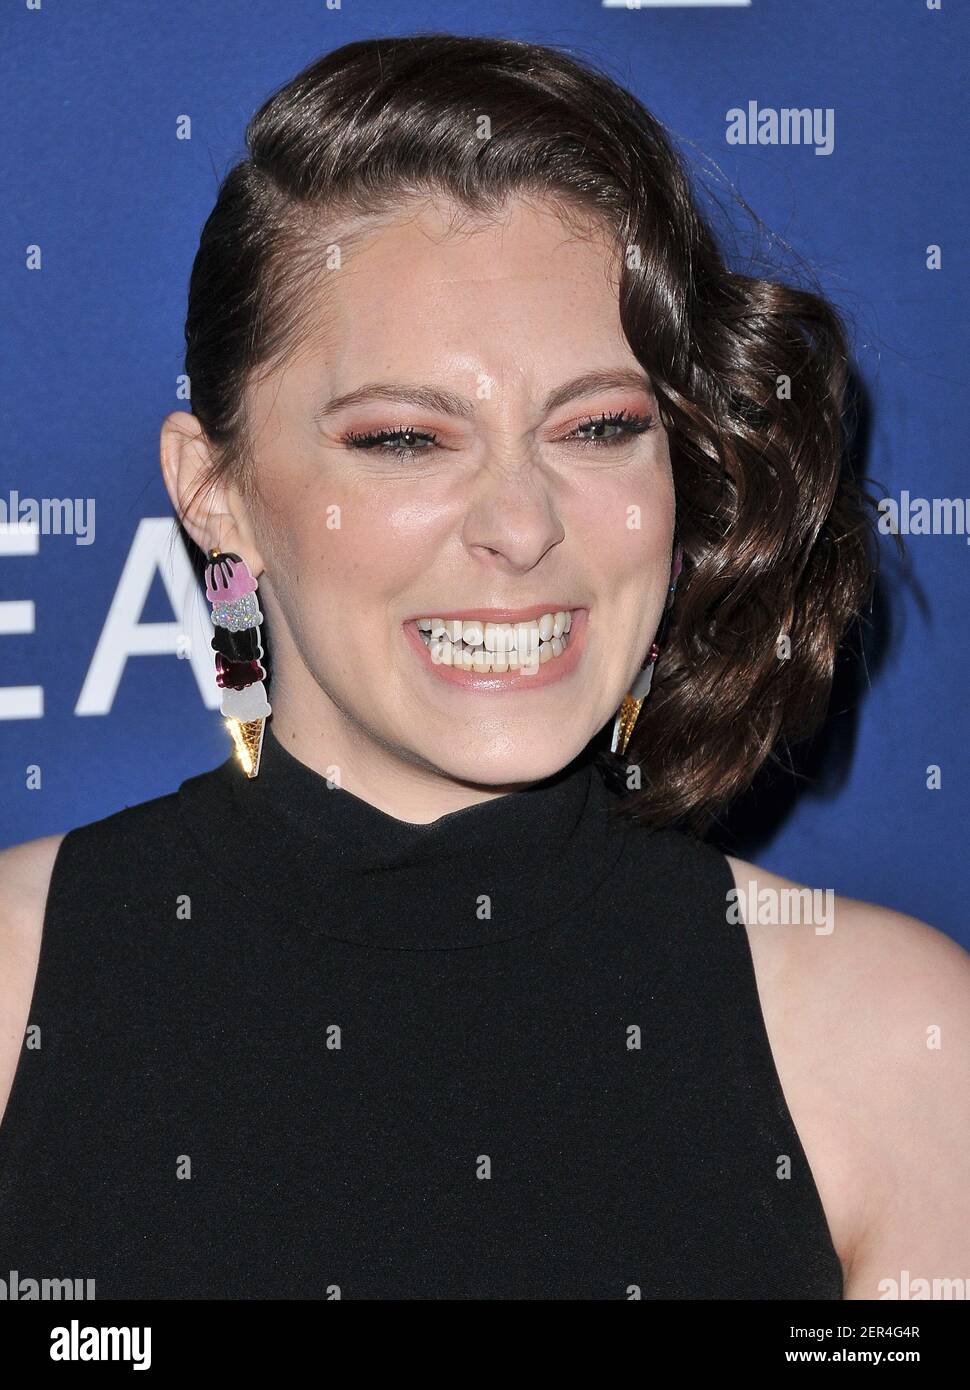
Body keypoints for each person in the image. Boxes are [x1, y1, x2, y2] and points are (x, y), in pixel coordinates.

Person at [1, 33, 968, 1301]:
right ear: (216, 490)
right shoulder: (17, 981)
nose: (522, 525)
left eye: (600, 426)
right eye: (405, 437)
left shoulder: (899, 1047)